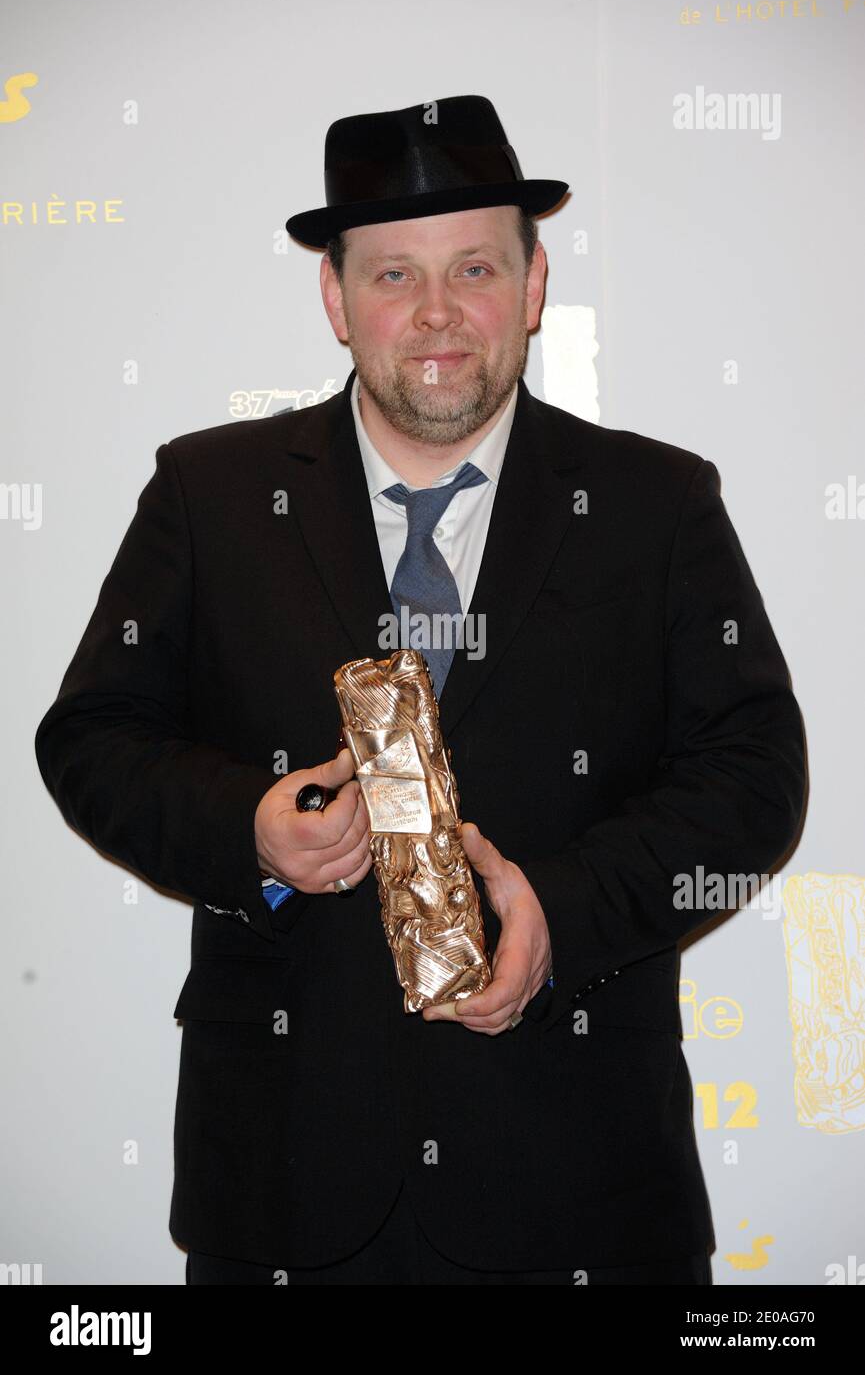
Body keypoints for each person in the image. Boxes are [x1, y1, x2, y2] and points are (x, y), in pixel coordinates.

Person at [34, 95, 806, 1285]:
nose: (438, 312)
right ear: (336, 301)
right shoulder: (210, 495)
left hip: (587, 1197)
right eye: (393, 273)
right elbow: (90, 740)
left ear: (534, 284)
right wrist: (248, 829)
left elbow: (756, 778)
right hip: (284, 1196)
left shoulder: (658, 506)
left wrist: (558, 914)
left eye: (476, 267)